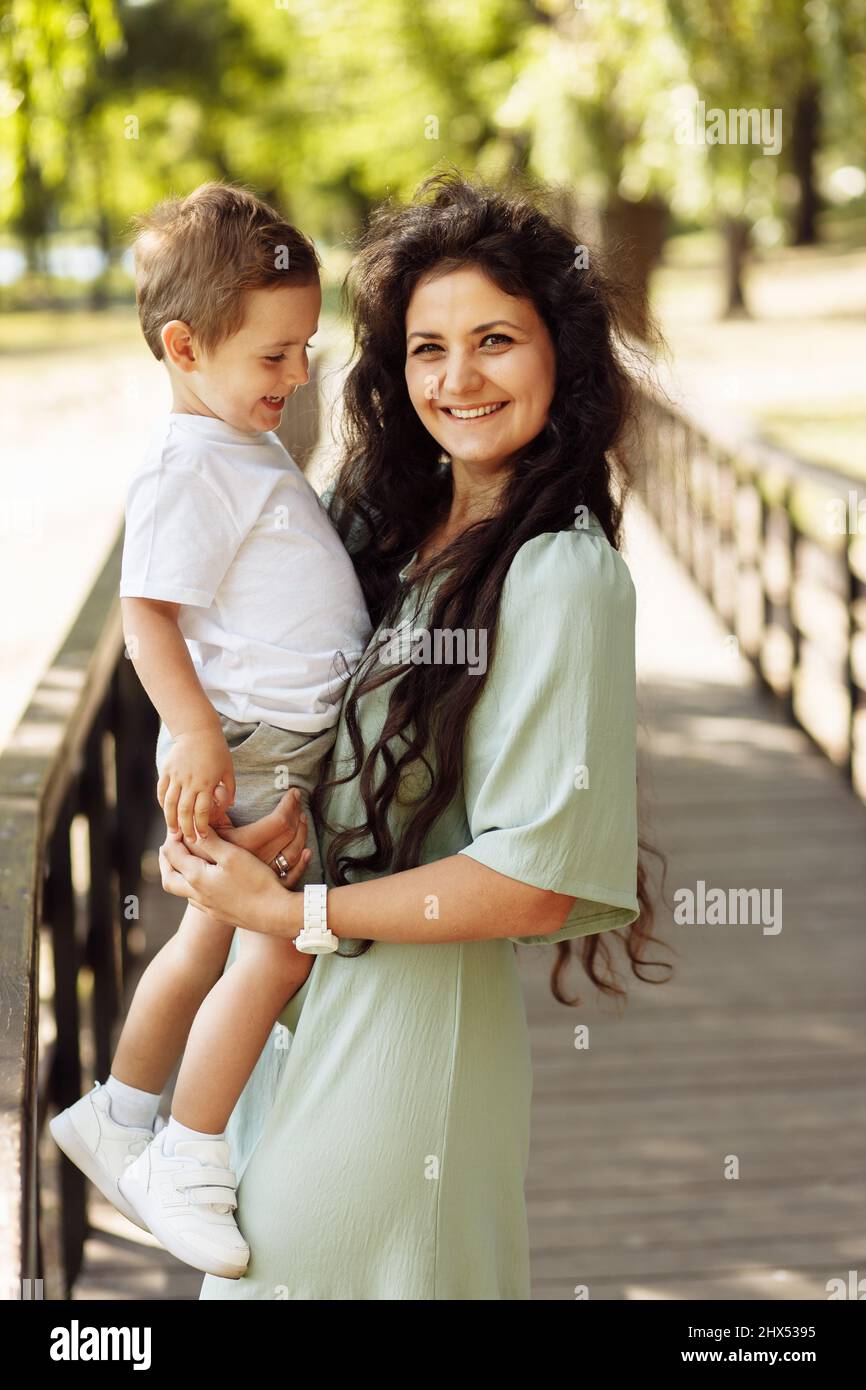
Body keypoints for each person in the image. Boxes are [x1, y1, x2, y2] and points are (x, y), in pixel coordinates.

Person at [157, 172, 669, 1300]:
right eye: (426, 348)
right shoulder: (379, 523)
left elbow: (533, 881)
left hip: (405, 1047)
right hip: (290, 1013)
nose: (458, 378)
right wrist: (210, 818)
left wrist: (295, 913)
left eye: (495, 339)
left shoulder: (560, 575)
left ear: (561, 355)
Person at [49, 182, 372, 1280]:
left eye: (305, 351)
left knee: (204, 940)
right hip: (259, 743)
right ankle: (186, 1159)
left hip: (269, 734)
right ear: (184, 346)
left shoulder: (230, 439)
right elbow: (145, 609)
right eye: (273, 358)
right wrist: (191, 732)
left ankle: (121, 1113)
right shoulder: (189, 461)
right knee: (277, 942)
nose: (296, 377)